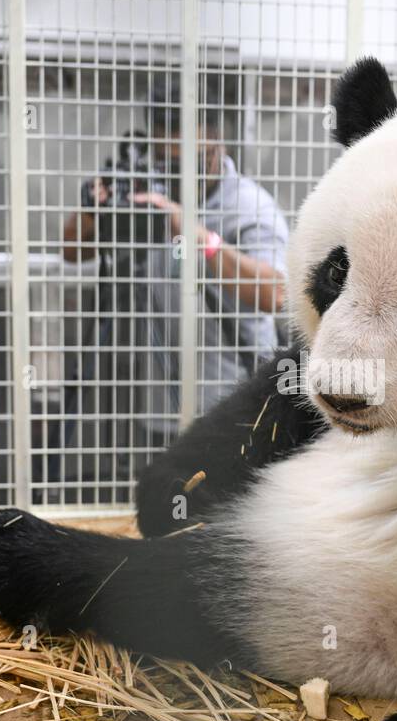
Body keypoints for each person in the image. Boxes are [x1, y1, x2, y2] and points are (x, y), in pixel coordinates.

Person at [61, 75, 289, 469]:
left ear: (218, 144)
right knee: (163, 516)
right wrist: (94, 208)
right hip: (162, 410)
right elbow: (73, 251)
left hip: (234, 405)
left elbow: (276, 293)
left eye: (191, 161)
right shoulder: (150, 191)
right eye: (168, 160)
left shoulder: (251, 207)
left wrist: (199, 236)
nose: (179, 174)